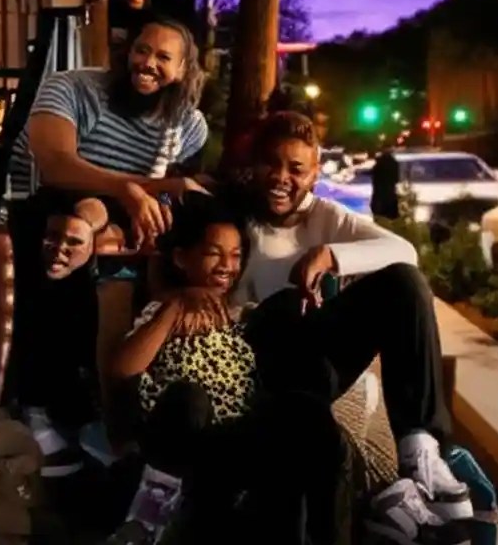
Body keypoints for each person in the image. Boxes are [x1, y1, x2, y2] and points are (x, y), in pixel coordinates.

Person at [228, 112, 474, 537]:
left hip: (315, 364)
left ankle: (418, 445)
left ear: (315, 172)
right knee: (289, 306)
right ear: (254, 164)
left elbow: (403, 250)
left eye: (296, 169)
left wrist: (329, 255)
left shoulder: (327, 217)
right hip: (254, 359)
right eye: (271, 163)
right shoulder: (234, 215)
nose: (280, 177)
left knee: (404, 281)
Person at [6, 13, 209, 475]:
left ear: (182, 70)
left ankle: (119, 415)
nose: (147, 63)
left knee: (165, 231)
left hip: (119, 216)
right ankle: (36, 404)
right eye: (142, 50)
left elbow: (174, 192)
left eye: (163, 57)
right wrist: (135, 190)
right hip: (44, 200)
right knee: (63, 223)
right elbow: (56, 164)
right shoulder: (73, 87)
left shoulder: (188, 125)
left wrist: (139, 205)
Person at [106, 196, 346, 544]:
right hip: (181, 439)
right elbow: (122, 368)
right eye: (214, 253)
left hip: (230, 444)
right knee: (189, 396)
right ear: (181, 259)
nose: (226, 265)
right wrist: (174, 308)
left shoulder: (241, 316)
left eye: (235, 255)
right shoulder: (166, 309)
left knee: (308, 412)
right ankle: (149, 520)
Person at [372, 147, 401, 220]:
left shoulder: (379, 164)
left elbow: (375, 177)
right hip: (389, 193)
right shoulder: (394, 163)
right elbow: (396, 178)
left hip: (379, 194)